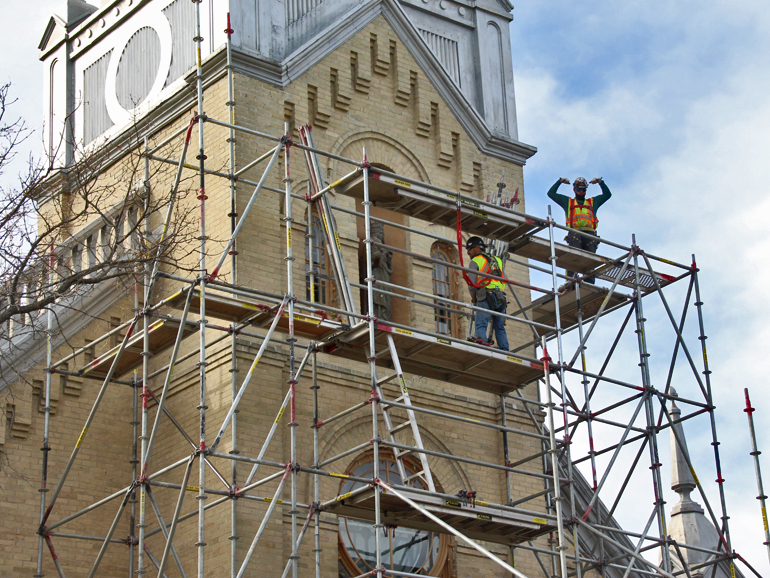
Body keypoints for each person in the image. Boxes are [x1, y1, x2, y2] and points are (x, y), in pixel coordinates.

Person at [547, 176, 612, 283]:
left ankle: (589, 284)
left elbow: (607, 195)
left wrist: (601, 182)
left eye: (583, 190)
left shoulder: (592, 202)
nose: (581, 192)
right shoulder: (568, 202)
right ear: (574, 189)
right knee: (574, 258)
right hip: (575, 234)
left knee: (590, 261)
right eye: (579, 190)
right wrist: (559, 181)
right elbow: (551, 194)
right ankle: (571, 281)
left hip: (590, 235)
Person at [465, 236, 509, 351]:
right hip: (501, 297)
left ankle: (482, 347)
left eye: (469, 248)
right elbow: (503, 279)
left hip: (486, 296)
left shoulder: (475, 261)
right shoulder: (498, 260)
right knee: (499, 327)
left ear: (477, 248)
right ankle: (505, 350)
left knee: (481, 325)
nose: (467, 252)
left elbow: (471, 285)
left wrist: (474, 299)